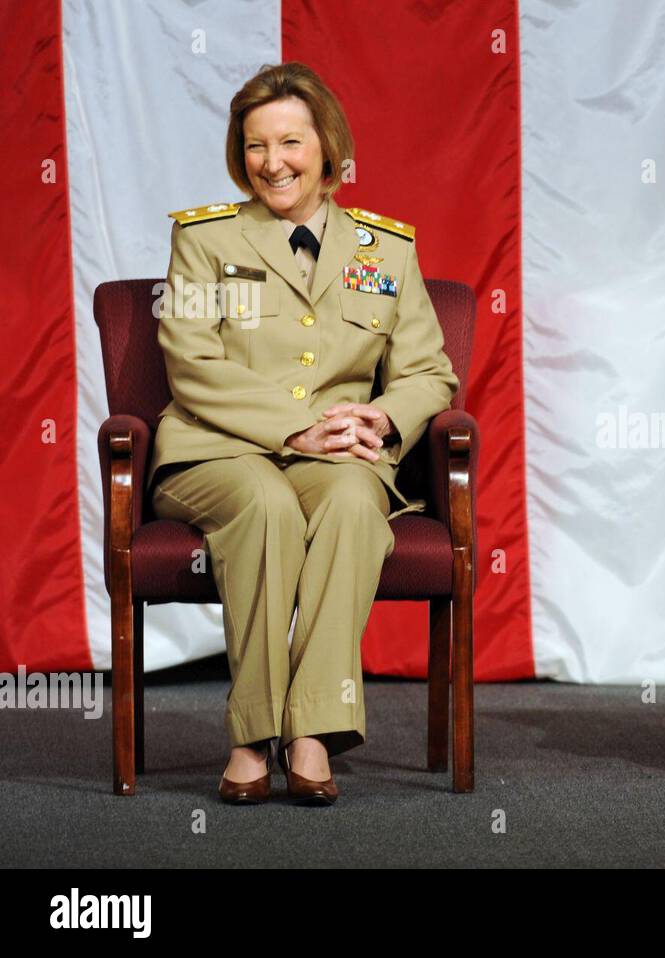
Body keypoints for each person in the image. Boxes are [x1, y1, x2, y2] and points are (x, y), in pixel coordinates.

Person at [149, 62, 459, 805]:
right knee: (264, 504)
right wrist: (298, 429)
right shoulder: (203, 240)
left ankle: (314, 726)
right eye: (255, 146)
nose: (272, 162)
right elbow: (190, 365)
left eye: (290, 141)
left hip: (337, 457)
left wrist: (382, 417)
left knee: (355, 502)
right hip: (217, 450)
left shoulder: (387, 252)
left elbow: (430, 373)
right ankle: (253, 733)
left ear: (328, 148)